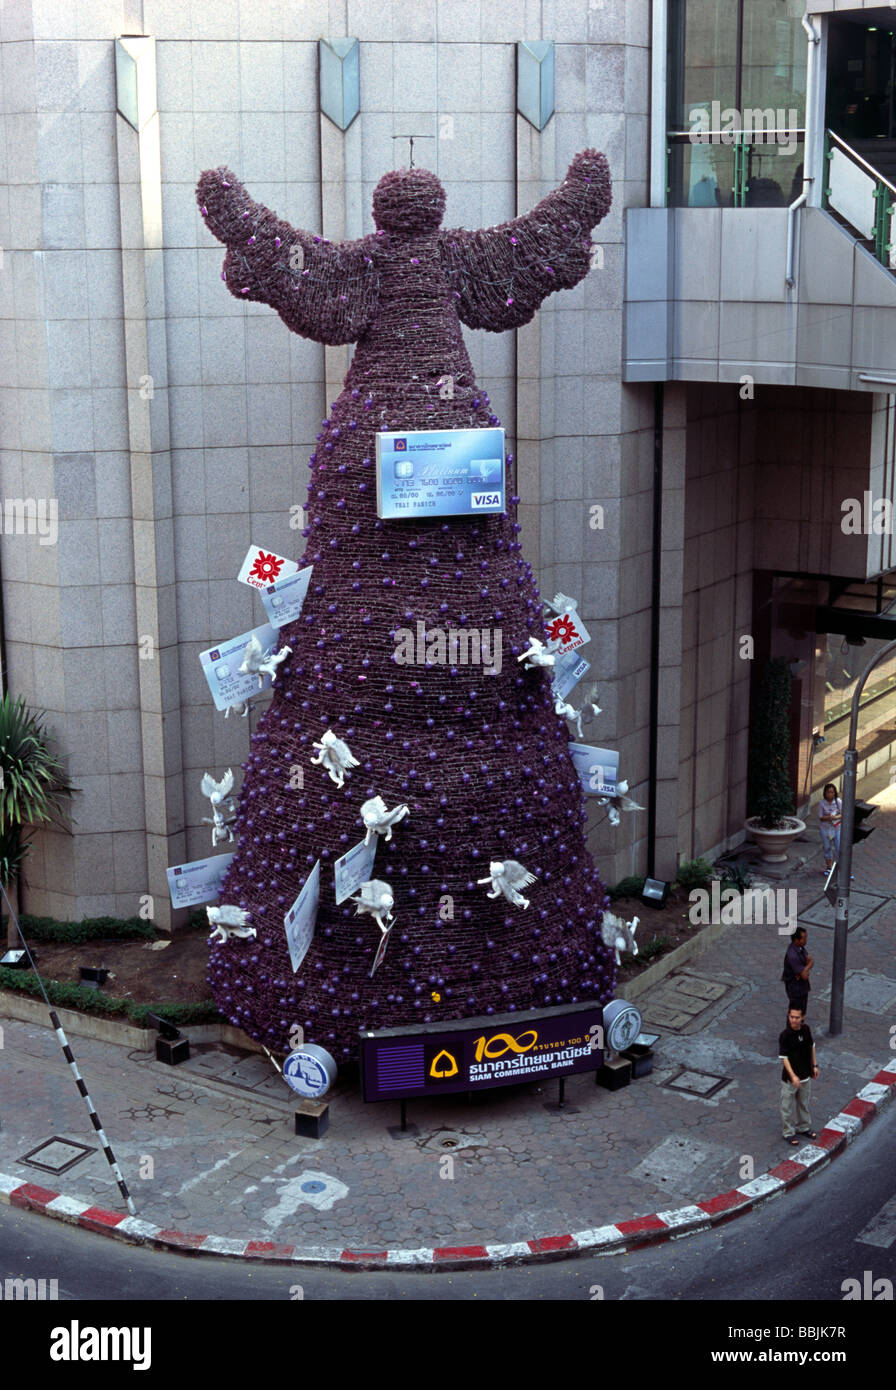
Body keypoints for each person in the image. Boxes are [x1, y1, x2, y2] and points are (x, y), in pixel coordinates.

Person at [779, 1005, 818, 1145]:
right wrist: (793, 1076)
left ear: (802, 1018)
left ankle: (804, 1127)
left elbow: (812, 1046)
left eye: (796, 1017)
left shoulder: (806, 1030)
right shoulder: (785, 1035)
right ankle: (788, 1132)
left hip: (806, 1075)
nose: (794, 1020)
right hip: (790, 1079)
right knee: (787, 1106)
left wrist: (815, 1065)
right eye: (791, 1017)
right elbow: (784, 1058)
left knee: (803, 1103)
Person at [782, 926, 813, 1014]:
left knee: (801, 1012)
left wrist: (805, 968)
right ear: (796, 940)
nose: (806, 940)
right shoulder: (793, 955)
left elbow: (809, 960)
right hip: (795, 988)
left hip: (801, 987)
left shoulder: (800, 948)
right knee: (796, 1012)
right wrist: (807, 966)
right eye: (804, 938)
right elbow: (805, 976)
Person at [818, 783, 842, 872]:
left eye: (832, 792)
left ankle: (841, 866)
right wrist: (828, 818)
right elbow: (820, 817)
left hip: (836, 828)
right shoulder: (821, 803)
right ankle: (829, 866)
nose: (830, 794)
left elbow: (843, 814)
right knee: (827, 847)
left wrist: (835, 817)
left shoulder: (838, 802)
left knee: (839, 847)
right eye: (828, 792)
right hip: (825, 828)